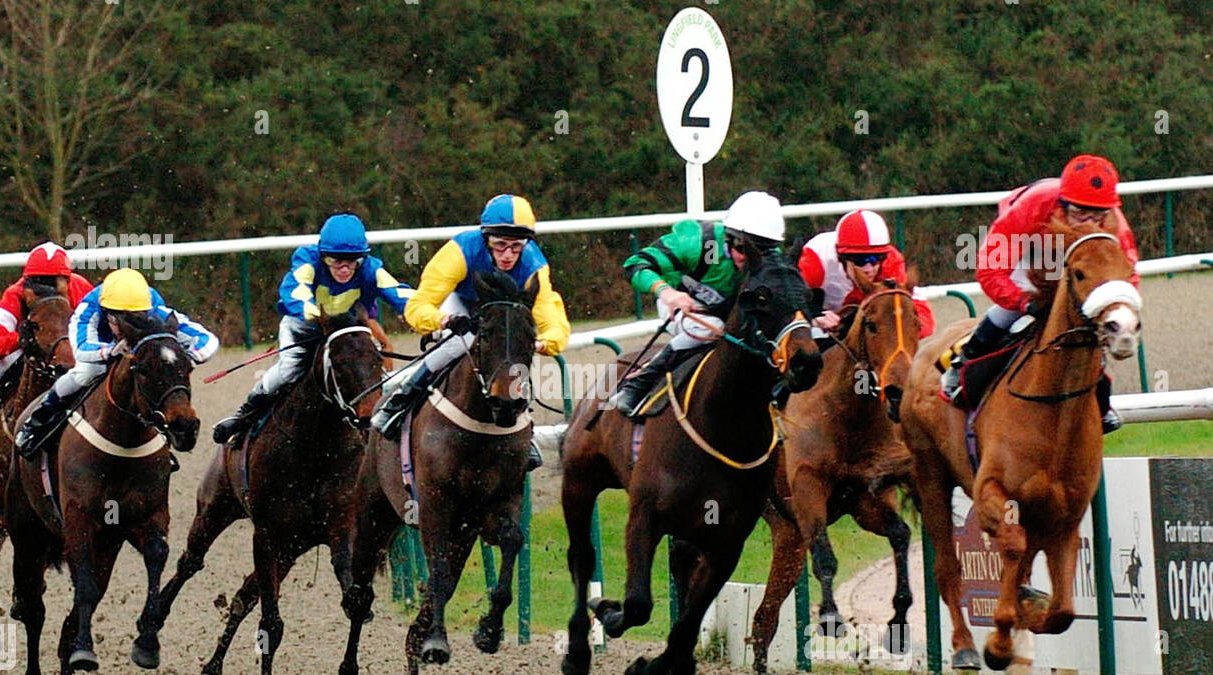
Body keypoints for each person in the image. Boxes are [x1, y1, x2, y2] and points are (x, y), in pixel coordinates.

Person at [939, 154, 1140, 431]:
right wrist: (1023, 302)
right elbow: (990, 270)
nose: (1090, 223)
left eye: (1097, 215)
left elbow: (1127, 274)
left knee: (1088, 320)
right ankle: (962, 365)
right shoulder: (1034, 206)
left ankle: (1100, 400)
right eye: (1080, 213)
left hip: (1079, 260)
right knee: (1011, 308)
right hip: (1033, 248)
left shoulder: (1112, 219)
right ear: (1062, 204)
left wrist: (1109, 308)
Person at [370, 194, 571, 468]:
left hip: (502, 313)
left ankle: (526, 424)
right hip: (462, 304)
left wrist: (546, 342)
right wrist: (442, 320)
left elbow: (552, 319)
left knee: (512, 347)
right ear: (486, 238)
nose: (508, 255)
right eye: (500, 245)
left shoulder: (534, 265)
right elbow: (418, 306)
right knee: (460, 342)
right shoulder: (461, 250)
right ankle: (402, 398)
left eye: (516, 247)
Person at [212, 213, 415, 444]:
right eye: (334, 260)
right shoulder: (306, 259)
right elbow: (295, 291)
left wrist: (431, 318)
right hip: (304, 324)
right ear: (322, 256)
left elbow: (402, 295)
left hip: (348, 329)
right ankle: (244, 415)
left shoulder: (371, 269)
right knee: (289, 369)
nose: (345, 268)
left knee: (370, 371)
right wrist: (314, 315)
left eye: (353, 260)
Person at [607, 190, 787, 417]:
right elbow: (636, 264)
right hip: (684, 305)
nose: (749, 260)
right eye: (743, 250)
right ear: (729, 238)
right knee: (712, 328)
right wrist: (667, 292)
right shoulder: (699, 243)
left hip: (732, 313)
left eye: (760, 252)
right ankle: (639, 384)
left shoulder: (772, 259)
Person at [14, 268, 218, 459]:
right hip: (100, 350)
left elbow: (207, 340)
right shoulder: (89, 308)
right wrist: (109, 352)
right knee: (85, 372)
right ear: (106, 311)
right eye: (119, 318)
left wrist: (189, 357)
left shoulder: (154, 307)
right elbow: (82, 349)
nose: (125, 324)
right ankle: (37, 422)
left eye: (135, 317)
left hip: (140, 351)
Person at [0, 241, 95, 448]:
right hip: (31, 350)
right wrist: (22, 339)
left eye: (53, 282)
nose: (47, 289)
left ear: (66, 280)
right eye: (39, 282)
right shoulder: (14, 294)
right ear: (27, 280)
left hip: (70, 345)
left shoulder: (81, 289)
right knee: (4, 362)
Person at [797, 209, 935, 348]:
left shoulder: (891, 261)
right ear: (842, 258)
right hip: (818, 320)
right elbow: (789, 305)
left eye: (876, 259)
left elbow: (924, 322)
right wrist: (813, 316)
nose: (869, 268)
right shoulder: (816, 260)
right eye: (859, 260)